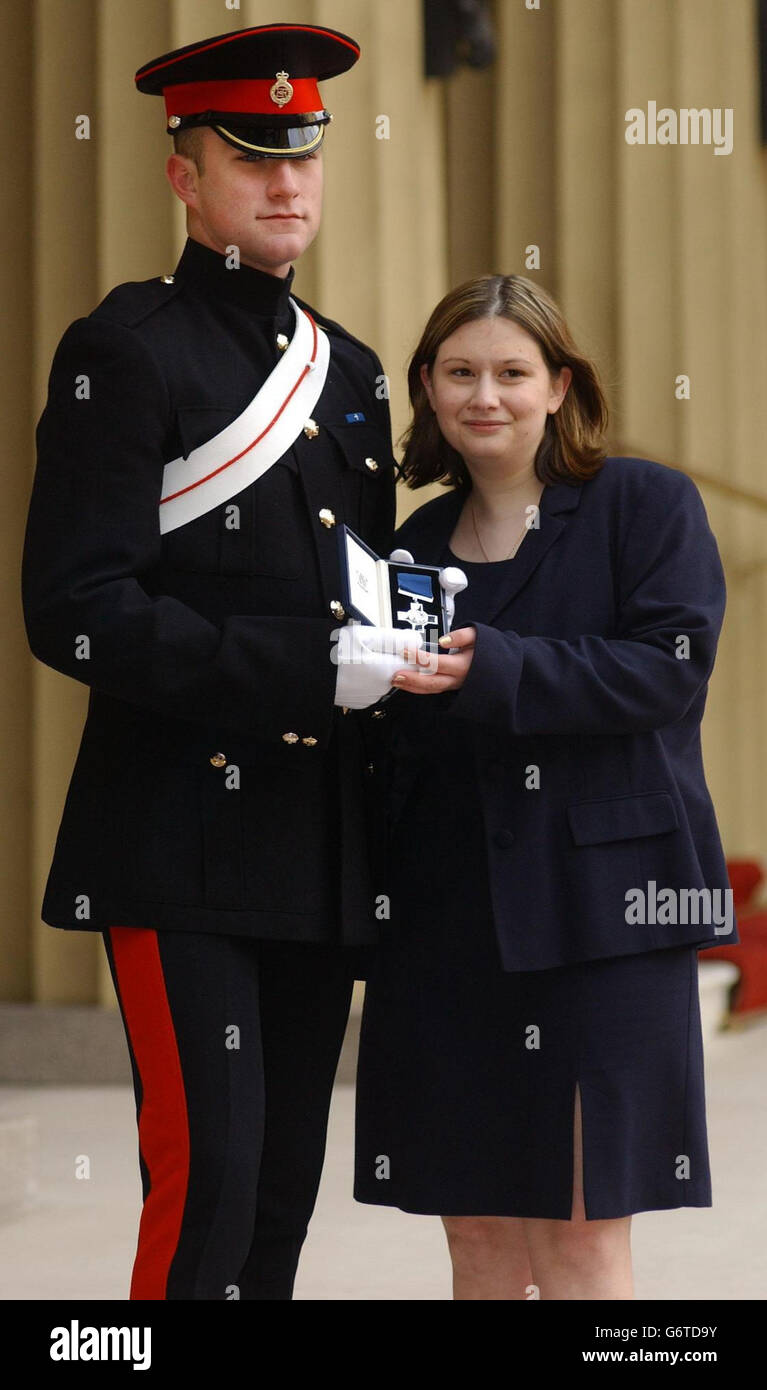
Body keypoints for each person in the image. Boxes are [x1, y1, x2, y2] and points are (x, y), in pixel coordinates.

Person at [21, 22, 420, 1301]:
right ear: (184, 177)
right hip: (177, 841)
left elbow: (348, 599)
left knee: (277, 1214)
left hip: (313, 848)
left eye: (301, 153)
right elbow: (73, 608)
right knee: (208, 1192)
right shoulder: (125, 351)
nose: (288, 182)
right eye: (252, 158)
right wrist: (308, 669)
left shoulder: (350, 372)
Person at [353, 273, 739, 1300]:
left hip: (598, 925)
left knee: (576, 1243)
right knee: (478, 1247)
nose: (486, 394)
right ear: (428, 390)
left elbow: (667, 668)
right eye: (459, 372)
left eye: (511, 372)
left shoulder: (641, 504)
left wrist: (496, 668)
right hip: (444, 930)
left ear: (558, 385)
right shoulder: (407, 550)